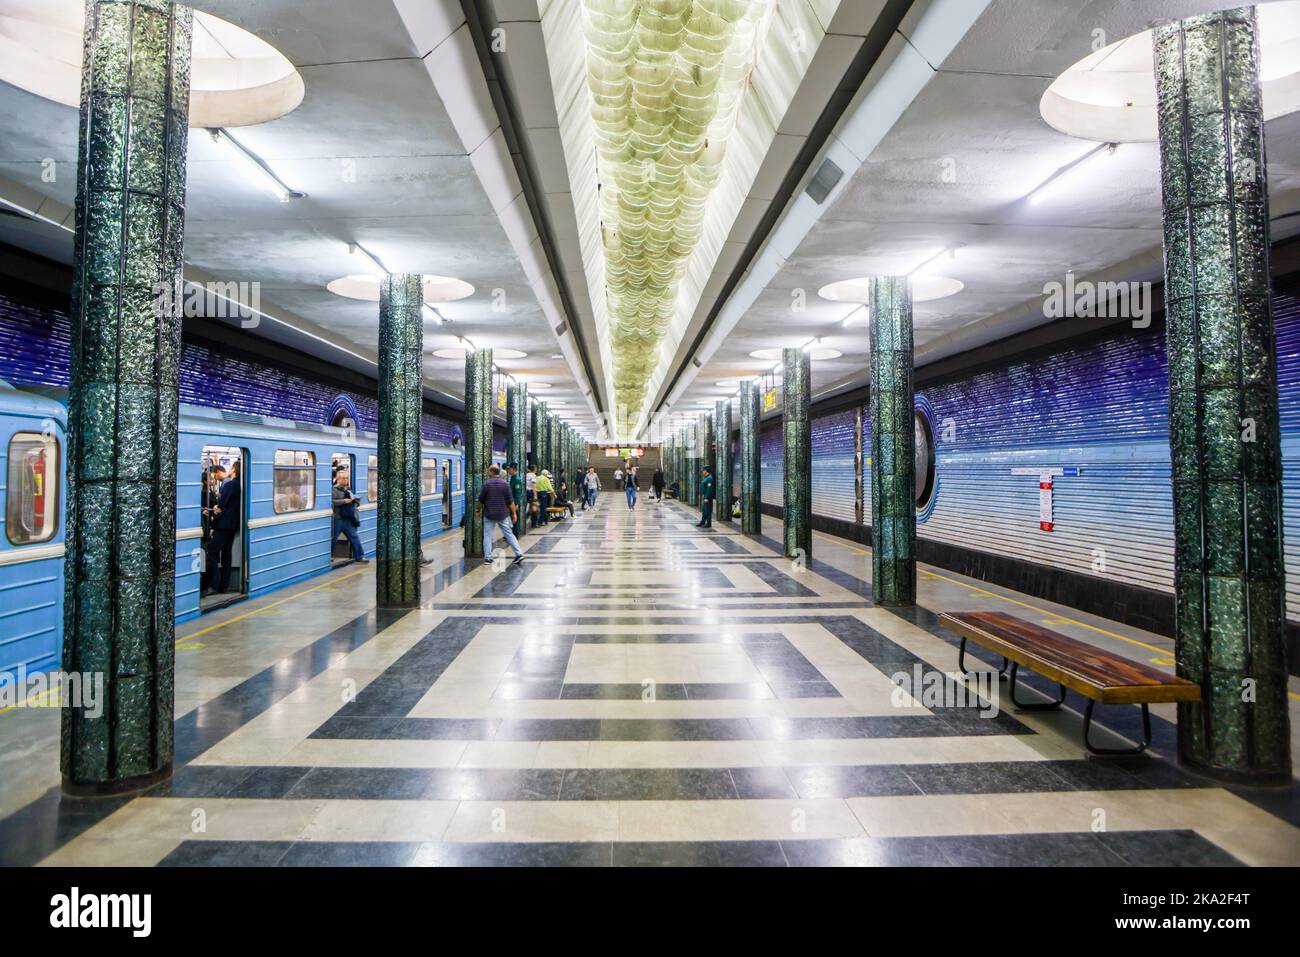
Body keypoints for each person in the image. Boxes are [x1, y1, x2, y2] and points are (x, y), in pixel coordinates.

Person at [477, 464, 524, 567]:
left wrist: (478, 511)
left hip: (489, 514)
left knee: (488, 536)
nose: (487, 472)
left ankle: (488, 558)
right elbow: (510, 501)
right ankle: (519, 554)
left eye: (489, 471)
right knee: (509, 534)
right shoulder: (505, 484)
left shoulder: (487, 484)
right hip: (502, 514)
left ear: (492, 472)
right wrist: (514, 513)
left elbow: (480, 500)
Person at [205, 465, 240, 593]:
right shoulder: (240, 484)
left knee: (212, 552)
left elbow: (221, 505)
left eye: (231, 467)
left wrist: (216, 508)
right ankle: (224, 585)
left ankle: (214, 584)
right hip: (234, 525)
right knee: (226, 554)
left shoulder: (230, 485)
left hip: (224, 524)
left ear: (234, 470)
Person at [332, 470, 368, 563]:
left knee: (354, 537)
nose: (346, 480)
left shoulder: (348, 490)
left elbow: (354, 502)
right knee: (333, 538)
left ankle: (359, 556)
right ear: (338, 479)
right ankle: (329, 556)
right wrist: (343, 501)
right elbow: (332, 502)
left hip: (348, 518)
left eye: (347, 478)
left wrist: (356, 501)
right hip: (338, 518)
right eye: (343, 478)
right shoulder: (334, 490)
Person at [508, 463, 526, 536]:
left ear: (514, 469)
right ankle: (513, 533)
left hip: (514, 503)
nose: (508, 470)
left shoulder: (517, 479)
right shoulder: (513, 478)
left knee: (515, 518)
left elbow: (518, 492)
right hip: (511, 502)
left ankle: (515, 534)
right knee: (513, 518)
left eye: (510, 469)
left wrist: (516, 503)